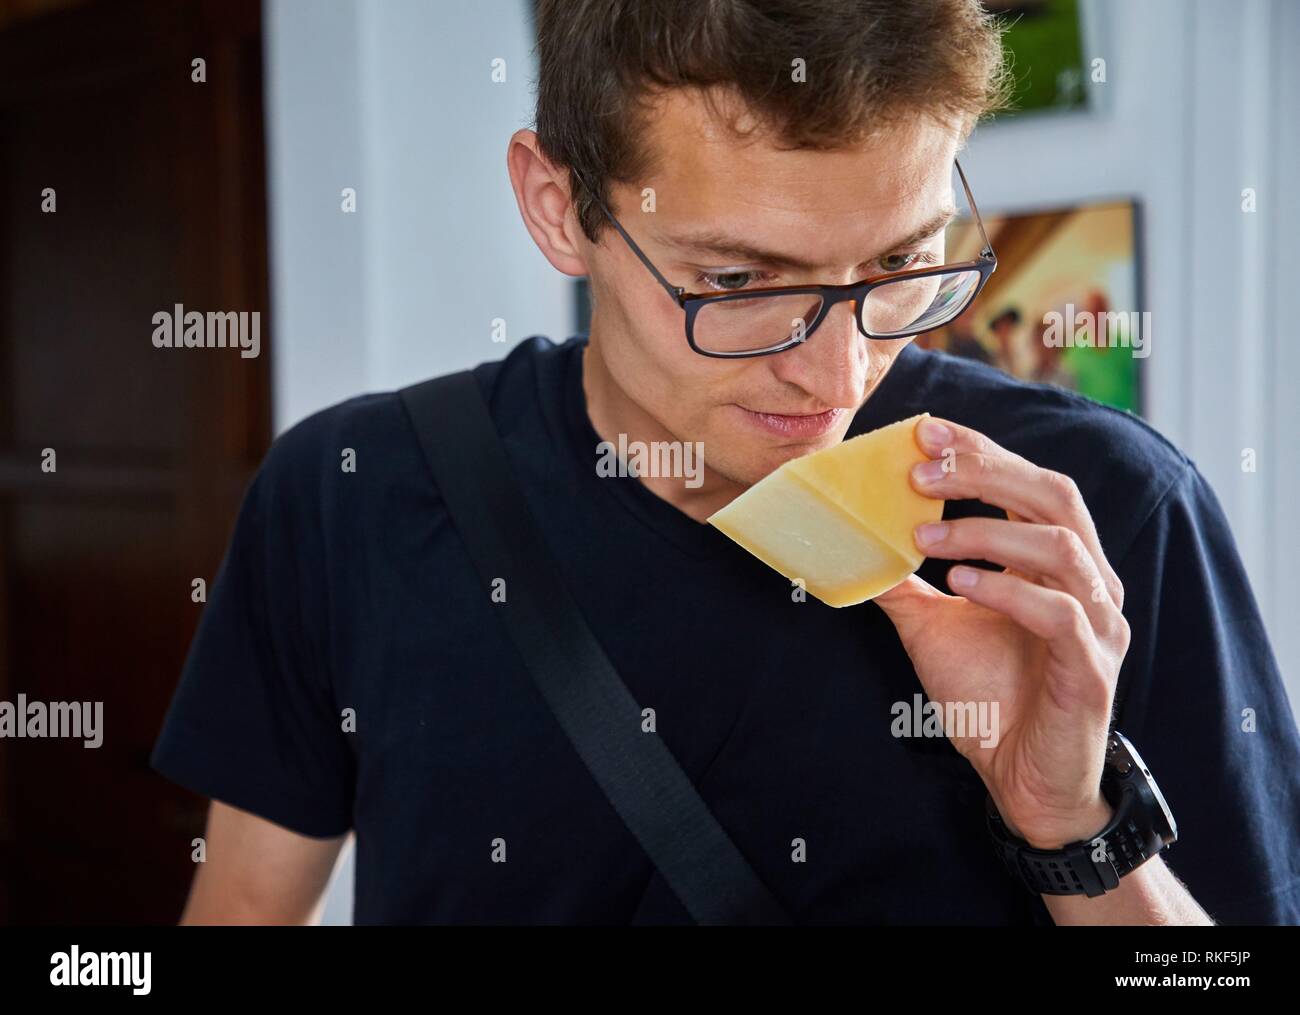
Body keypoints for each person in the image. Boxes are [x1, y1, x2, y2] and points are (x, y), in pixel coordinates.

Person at [150, 0, 1300, 925]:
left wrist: (1071, 822)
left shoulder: (1095, 515)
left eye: (902, 261)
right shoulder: (343, 493)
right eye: (742, 284)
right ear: (558, 207)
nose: (839, 375)